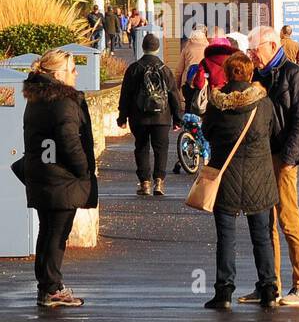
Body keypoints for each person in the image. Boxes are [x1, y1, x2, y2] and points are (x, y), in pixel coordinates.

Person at [19, 49, 98, 308]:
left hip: (43, 175)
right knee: (57, 234)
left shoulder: (37, 98)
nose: (76, 73)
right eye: (72, 68)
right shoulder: (63, 101)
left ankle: (47, 285)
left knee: (48, 231)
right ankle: (52, 287)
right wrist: (83, 168)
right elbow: (68, 140)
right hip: (61, 179)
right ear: (58, 74)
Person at [200, 51, 280, 310]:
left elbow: (207, 133)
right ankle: (268, 288)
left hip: (226, 178)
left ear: (226, 72)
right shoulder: (264, 104)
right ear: (250, 73)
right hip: (260, 178)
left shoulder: (216, 104)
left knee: (226, 238)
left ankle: (224, 292)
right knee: (262, 237)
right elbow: (274, 132)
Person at [248, 24, 299, 307]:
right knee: (265, 223)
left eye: (256, 51)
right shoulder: (259, 77)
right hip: (262, 158)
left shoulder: (295, 76)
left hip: (284, 158)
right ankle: (270, 284)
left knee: (288, 220)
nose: (253, 56)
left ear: (273, 46)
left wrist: (289, 158)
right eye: (251, 52)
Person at [116, 33, 184, 196]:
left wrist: (122, 117)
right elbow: (174, 95)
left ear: (143, 47)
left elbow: (125, 94)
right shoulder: (165, 69)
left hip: (139, 116)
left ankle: (145, 183)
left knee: (141, 147)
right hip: (162, 116)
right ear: (157, 48)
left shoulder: (134, 69)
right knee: (161, 149)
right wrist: (177, 118)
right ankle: (159, 182)